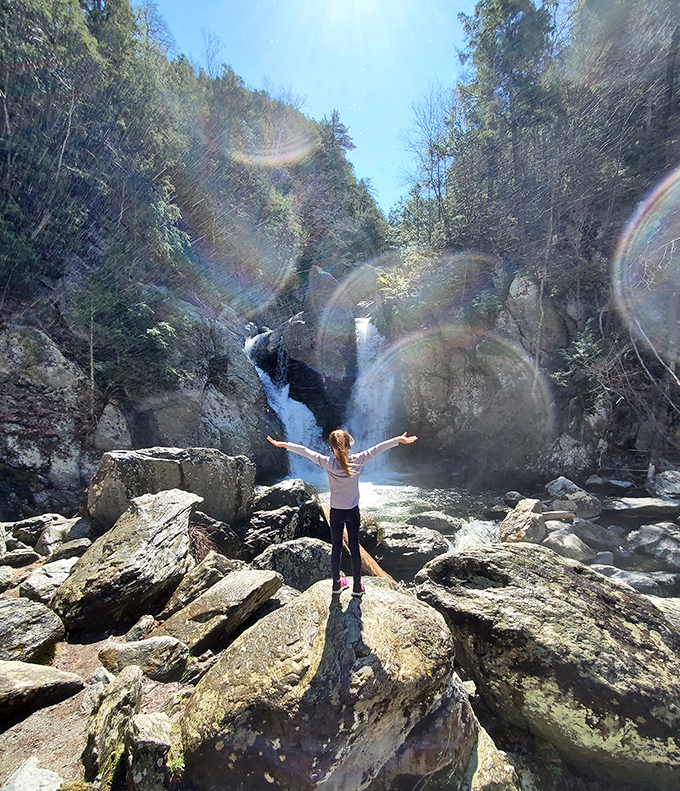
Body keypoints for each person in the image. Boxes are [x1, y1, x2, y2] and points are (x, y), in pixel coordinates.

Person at [266, 429, 418, 597]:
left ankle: (336, 585)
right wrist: (398, 440)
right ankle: (357, 587)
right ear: (348, 446)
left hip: (336, 513)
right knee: (354, 547)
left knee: (336, 548)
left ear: (332, 448)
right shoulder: (358, 460)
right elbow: (377, 449)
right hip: (352, 512)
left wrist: (283, 444)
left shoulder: (327, 463)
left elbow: (305, 451)